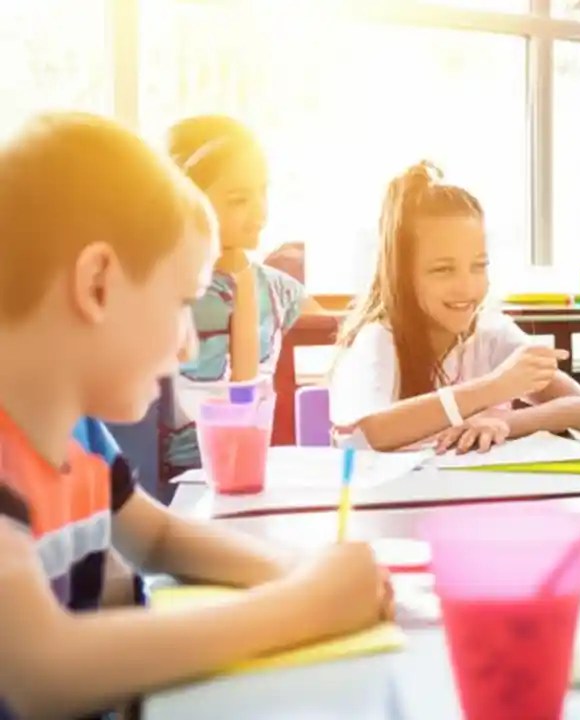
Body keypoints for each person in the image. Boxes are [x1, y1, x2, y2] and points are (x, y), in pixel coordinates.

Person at [0, 112, 389, 719]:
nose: (186, 346)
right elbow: (42, 671)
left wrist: (298, 568)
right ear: (98, 282)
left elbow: (157, 536)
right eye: (182, 302)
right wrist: (307, 606)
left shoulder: (79, 438)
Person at [328, 161, 580, 453]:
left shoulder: (490, 332)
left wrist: (504, 422)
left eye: (478, 266)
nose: (467, 286)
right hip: (383, 497)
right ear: (402, 274)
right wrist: (495, 387)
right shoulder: (378, 338)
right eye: (443, 269)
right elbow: (377, 431)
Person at [161, 115, 313, 480]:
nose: (260, 210)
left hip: (252, 465)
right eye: (239, 199)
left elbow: (334, 328)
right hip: (180, 475)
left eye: (263, 191)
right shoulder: (171, 293)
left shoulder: (278, 289)